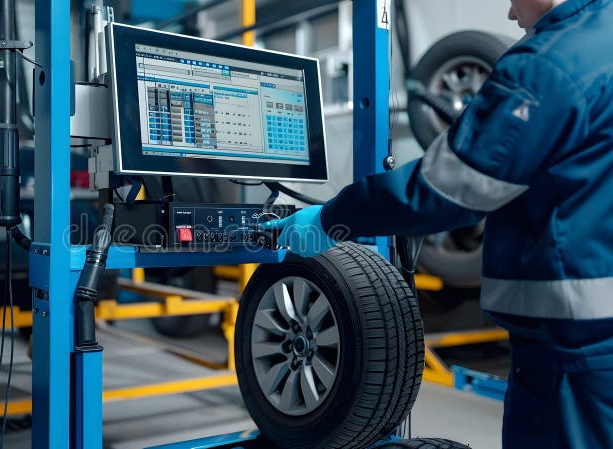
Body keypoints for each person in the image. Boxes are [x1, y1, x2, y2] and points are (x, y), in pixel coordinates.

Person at [262, 0, 613, 447]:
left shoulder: (555, 61)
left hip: (577, 353)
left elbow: (448, 190)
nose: (510, 15)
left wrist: (333, 218)